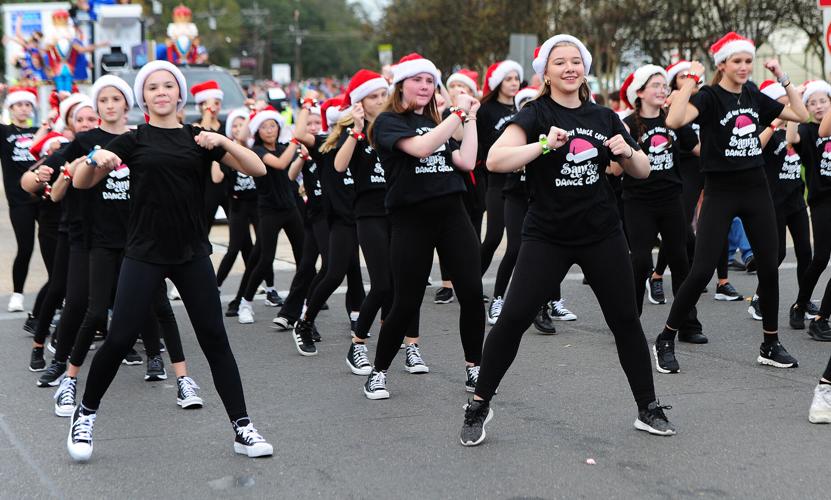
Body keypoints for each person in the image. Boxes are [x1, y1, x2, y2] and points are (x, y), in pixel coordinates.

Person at [460, 35, 674, 447]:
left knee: (626, 321)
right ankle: (478, 404)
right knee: (512, 320)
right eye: (560, 62)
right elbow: (496, 159)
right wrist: (542, 144)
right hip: (548, 235)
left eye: (576, 61)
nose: (570, 68)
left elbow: (644, 170)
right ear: (546, 72)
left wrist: (626, 153)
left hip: (602, 233)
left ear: (585, 69)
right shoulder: (534, 114)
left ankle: (648, 408)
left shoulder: (605, 116)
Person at [65, 60, 272, 461]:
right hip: (143, 253)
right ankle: (85, 414)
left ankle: (242, 427)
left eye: (168, 86)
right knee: (121, 336)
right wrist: (96, 161)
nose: (161, 92)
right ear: (144, 99)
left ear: (180, 95)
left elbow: (259, 168)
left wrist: (225, 144)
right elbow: (80, 182)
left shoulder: (199, 139)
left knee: (215, 339)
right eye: (153, 87)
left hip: (191, 253)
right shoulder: (133, 139)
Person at [655, 33, 809, 374]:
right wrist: (691, 79)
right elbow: (674, 120)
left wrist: (782, 76)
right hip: (721, 191)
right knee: (702, 270)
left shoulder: (753, 93)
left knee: (769, 267)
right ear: (721, 64)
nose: (743, 67)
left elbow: (800, 113)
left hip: (755, 188)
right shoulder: (709, 97)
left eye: (747, 61)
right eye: (736, 61)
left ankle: (770, 343)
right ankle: (666, 337)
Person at [363, 53, 484, 399]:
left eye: (430, 81)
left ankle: (474, 368)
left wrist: (470, 118)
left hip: (452, 214)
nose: (425, 86)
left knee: (473, 295)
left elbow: (465, 160)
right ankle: (379, 371)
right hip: (411, 219)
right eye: (417, 80)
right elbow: (420, 149)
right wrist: (456, 114)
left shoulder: (439, 121)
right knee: (406, 301)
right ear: (401, 85)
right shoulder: (388, 122)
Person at [618, 64, 704, 371]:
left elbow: (696, 148)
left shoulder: (673, 120)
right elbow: (615, 168)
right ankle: (630, 322)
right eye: (654, 85)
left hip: (671, 198)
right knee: (640, 260)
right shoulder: (627, 124)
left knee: (681, 260)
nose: (661, 89)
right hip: (638, 201)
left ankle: (688, 323)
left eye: (662, 84)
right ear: (639, 93)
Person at [489, 85, 575, 333]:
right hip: (516, 197)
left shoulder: (554, 134)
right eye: (524, 105)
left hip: (542, 199)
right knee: (516, 248)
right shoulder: (516, 134)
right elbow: (499, 159)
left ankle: (548, 305)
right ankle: (497, 300)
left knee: (554, 252)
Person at [235, 106, 304, 324]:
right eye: (264, 126)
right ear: (258, 131)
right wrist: (295, 142)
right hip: (269, 210)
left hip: (290, 208)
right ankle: (245, 304)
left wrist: (305, 111)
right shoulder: (258, 151)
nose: (269, 130)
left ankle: (299, 301)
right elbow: (281, 164)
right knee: (265, 259)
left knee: (304, 257)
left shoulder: (284, 146)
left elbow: (293, 165)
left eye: (272, 125)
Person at [787, 80, 831, 338]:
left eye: (822, 101)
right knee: (821, 258)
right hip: (822, 200)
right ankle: (801, 304)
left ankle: (821, 318)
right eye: (812, 103)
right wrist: (796, 101)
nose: (818, 106)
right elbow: (791, 138)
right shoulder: (807, 130)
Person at [478, 60, 522, 308]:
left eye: (516, 78)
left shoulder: (523, 108)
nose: (514, 83)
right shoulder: (487, 110)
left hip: (520, 184)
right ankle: (473, 283)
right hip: (495, 182)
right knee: (494, 236)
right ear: (498, 84)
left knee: (519, 243)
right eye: (509, 79)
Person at [1, 87, 47, 313]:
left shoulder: (41, 130)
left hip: (44, 198)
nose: (23, 109)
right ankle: (17, 294)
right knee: (25, 247)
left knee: (52, 248)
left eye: (27, 105)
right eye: (18, 105)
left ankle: (57, 293)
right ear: (10, 108)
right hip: (19, 202)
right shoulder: (4, 133)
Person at [214, 107, 258, 302]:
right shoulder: (228, 153)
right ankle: (215, 285)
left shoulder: (255, 149)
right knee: (235, 248)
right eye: (236, 125)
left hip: (257, 205)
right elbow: (216, 178)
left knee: (259, 249)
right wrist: (213, 157)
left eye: (244, 124)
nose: (241, 128)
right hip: (238, 205)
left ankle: (267, 288)